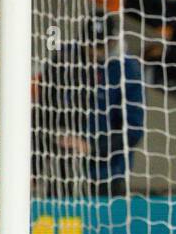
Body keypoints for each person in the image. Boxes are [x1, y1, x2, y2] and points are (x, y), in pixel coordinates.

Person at [33, 13, 144, 197]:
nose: (94, 51)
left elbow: (133, 130)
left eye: (100, 46)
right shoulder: (64, 60)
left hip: (107, 175)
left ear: (112, 42)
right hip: (62, 171)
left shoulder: (127, 70)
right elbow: (43, 112)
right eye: (90, 44)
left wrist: (90, 147)